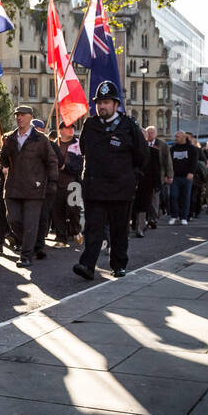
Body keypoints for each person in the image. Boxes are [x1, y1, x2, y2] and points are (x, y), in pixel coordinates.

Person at [73, 81, 147, 281]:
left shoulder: (129, 126)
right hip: (95, 188)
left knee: (119, 230)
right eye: (99, 103)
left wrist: (131, 177)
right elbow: (83, 148)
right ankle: (88, 265)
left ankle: (119, 265)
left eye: (106, 102)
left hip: (120, 189)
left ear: (116, 104)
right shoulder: (90, 125)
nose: (102, 106)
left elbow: (142, 155)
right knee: (93, 229)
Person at [0, 106, 58, 269]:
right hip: (12, 187)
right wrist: (3, 157)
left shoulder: (41, 139)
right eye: (17, 115)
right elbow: (3, 160)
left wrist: (52, 182)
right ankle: (29, 242)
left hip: (34, 188)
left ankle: (26, 256)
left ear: (31, 117)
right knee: (14, 220)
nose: (19, 118)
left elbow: (52, 161)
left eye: (23, 115)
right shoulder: (10, 138)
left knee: (31, 223)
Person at [32, 119, 63, 257]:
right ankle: (26, 242)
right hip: (29, 186)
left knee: (43, 216)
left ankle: (39, 246)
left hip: (46, 186)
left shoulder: (51, 145)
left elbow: (60, 162)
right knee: (29, 216)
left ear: (42, 130)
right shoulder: (24, 144)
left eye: (35, 128)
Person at [52, 121, 84, 244]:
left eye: (72, 127)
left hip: (73, 183)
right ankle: (61, 238)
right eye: (67, 127)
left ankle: (75, 230)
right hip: (56, 183)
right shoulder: (54, 145)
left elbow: (79, 165)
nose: (71, 129)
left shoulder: (78, 144)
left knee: (73, 209)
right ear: (61, 130)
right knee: (57, 211)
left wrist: (66, 167)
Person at [132, 126, 164, 236]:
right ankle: (126, 230)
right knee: (129, 206)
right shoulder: (129, 150)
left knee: (142, 206)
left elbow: (156, 169)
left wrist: (157, 185)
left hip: (146, 183)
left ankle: (140, 228)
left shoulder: (153, 151)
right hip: (130, 182)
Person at [167, 131, 195, 224]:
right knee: (173, 196)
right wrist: (169, 175)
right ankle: (174, 215)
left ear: (183, 137)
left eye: (177, 136)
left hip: (186, 177)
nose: (176, 138)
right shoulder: (173, 148)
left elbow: (194, 162)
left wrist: (191, 172)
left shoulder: (191, 148)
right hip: (175, 177)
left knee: (185, 197)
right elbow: (169, 162)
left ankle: (184, 217)